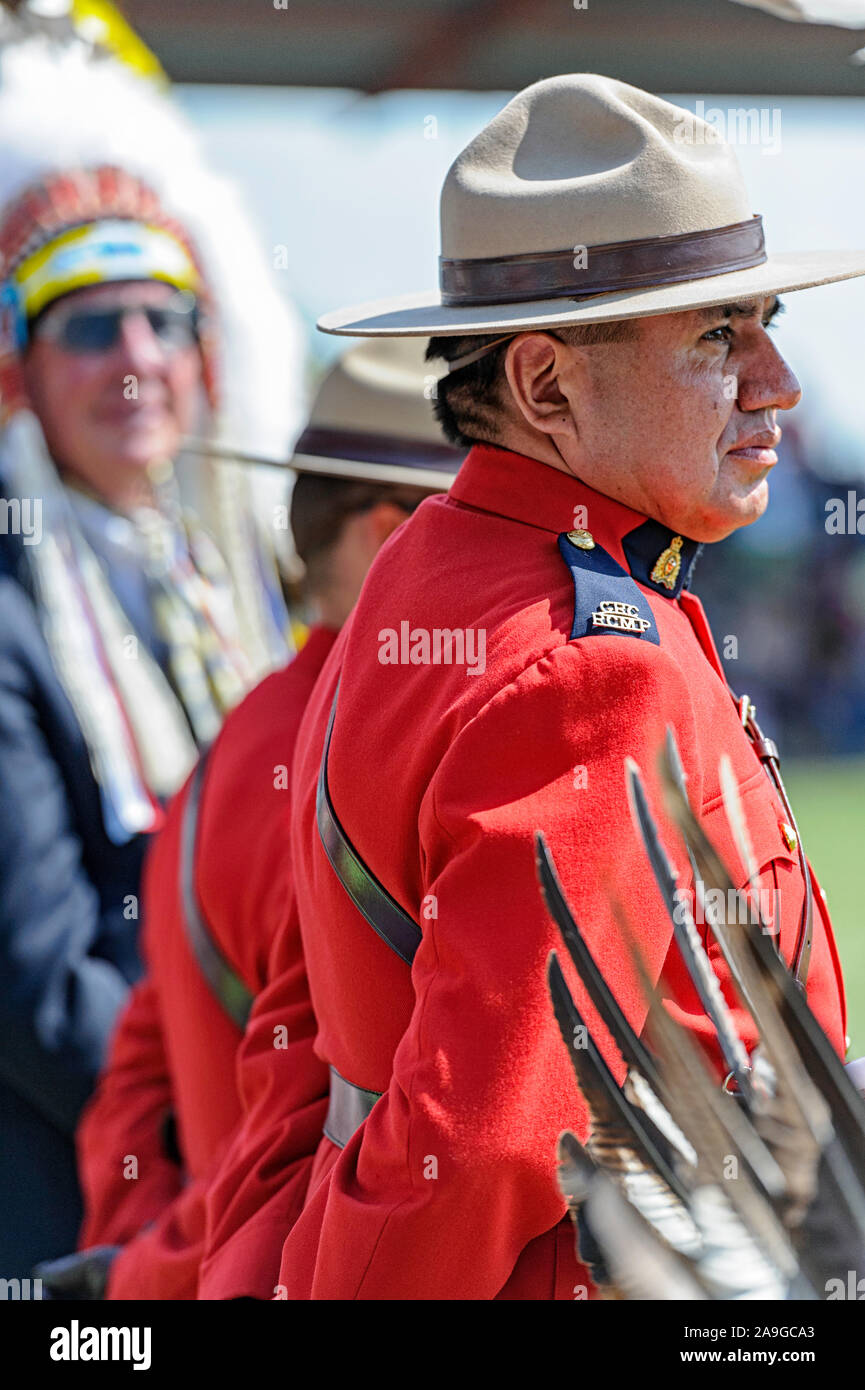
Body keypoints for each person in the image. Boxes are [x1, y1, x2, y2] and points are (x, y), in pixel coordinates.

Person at [267, 74, 861, 1299]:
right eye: (714, 335)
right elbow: (475, 1149)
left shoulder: (433, 573)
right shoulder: (593, 664)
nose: (775, 383)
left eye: (763, 323)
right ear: (544, 387)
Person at [38, 341, 462, 1300]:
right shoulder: (348, 765)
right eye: (482, 524)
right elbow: (312, 1143)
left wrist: (128, 1273)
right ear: (392, 533)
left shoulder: (243, 743)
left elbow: (130, 1104)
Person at [0, 165, 288, 1273]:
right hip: (75, 1199)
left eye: (162, 321)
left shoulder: (231, 582)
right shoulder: (14, 607)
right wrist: (238, 1110)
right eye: (86, 329)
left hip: (223, 1166)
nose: (134, 358)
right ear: (20, 371)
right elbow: (37, 985)